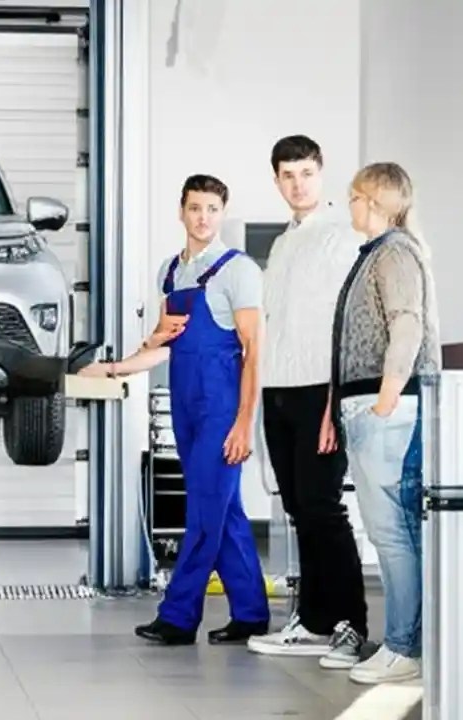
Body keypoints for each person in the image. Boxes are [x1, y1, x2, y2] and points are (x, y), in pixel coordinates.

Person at [79, 173, 270, 645]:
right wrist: (113, 368)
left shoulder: (238, 270)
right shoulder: (170, 271)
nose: (203, 218)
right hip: (185, 404)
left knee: (204, 511)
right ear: (181, 212)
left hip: (222, 406)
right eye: (195, 208)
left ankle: (179, 616)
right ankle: (251, 613)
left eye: (212, 209)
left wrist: (244, 422)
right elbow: (164, 345)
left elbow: (254, 351)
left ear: (222, 213)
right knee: (224, 510)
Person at [245, 135, 370, 668]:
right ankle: (315, 622)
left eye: (306, 174)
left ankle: (349, 625)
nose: (298, 184)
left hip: (321, 391)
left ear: (321, 174)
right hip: (279, 389)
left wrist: (334, 403)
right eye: (288, 176)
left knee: (322, 507)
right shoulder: (282, 244)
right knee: (298, 508)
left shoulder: (342, 236)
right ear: (277, 180)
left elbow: (347, 323)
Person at [330, 161, 441, 684]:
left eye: (353, 197)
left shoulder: (395, 252)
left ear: (372, 201)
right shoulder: (378, 252)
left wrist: (387, 397)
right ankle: (405, 643)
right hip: (372, 406)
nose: (349, 206)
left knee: (395, 535)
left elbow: (407, 324)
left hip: (388, 409)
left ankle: (405, 648)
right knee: (391, 533)